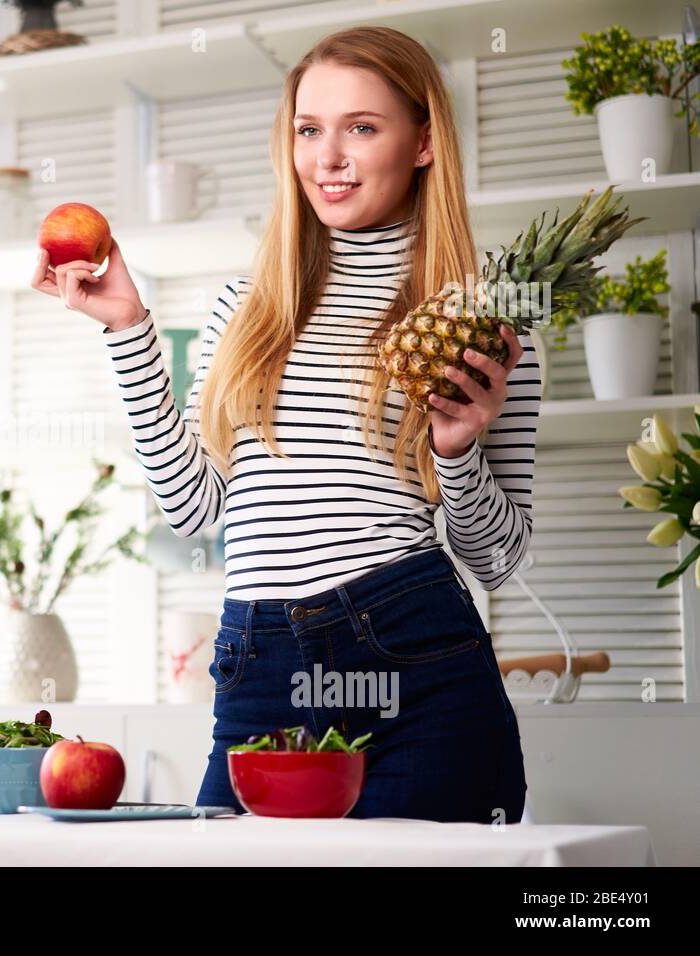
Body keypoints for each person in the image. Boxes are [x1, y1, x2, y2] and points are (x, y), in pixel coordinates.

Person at [28, 26, 536, 823]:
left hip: (417, 665)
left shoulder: (482, 325)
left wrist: (459, 451)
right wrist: (127, 332)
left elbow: (497, 558)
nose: (327, 158)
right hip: (258, 667)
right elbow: (197, 511)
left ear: (425, 142)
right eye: (309, 129)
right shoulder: (249, 310)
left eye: (362, 128)